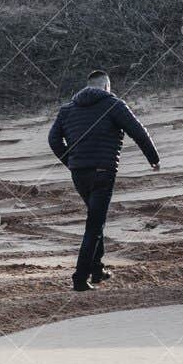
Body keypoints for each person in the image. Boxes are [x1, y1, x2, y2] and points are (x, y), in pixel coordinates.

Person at [47, 69, 160, 292]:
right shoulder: (114, 105)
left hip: (79, 173)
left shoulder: (67, 109)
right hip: (102, 172)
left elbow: (53, 139)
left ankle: (97, 269)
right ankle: (80, 278)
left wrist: (71, 162)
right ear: (106, 86)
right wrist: (153, 159)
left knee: (95, 218)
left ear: (88, 86)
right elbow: (138, 132)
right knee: (94, 225)